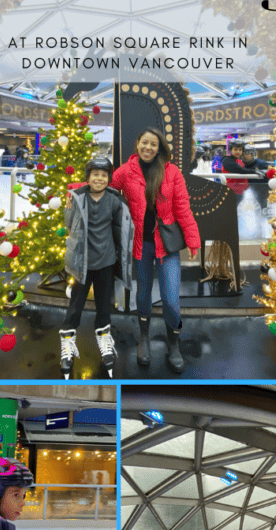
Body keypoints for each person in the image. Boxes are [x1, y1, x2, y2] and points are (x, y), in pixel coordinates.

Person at [110, 128, 201, 373]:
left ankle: (174, 344)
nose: (148, 148)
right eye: (144, 143)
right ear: (137, 143)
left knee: (172, 300)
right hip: (140, 245)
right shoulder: (126, 171)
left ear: (159, 148)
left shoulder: (172, 172)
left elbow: (183, 208)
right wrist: (76, 189)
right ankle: (144, 339)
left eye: (153, 144)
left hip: (166, 245)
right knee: (143, 296)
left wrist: (193, 240)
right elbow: (103, 186)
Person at [61, 156, 134, 379]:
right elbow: (68, 225)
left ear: (109, 179)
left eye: (104, 175)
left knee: (104, 304)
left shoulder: (114, 199)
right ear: (88, 177)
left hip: (106, 261)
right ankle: (67, 343)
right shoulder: (77, 197)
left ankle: (104, 339)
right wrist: (68, 203)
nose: (100, 179)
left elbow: (121, 227)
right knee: (76, 304)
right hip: (81, 261)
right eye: (95, 175)